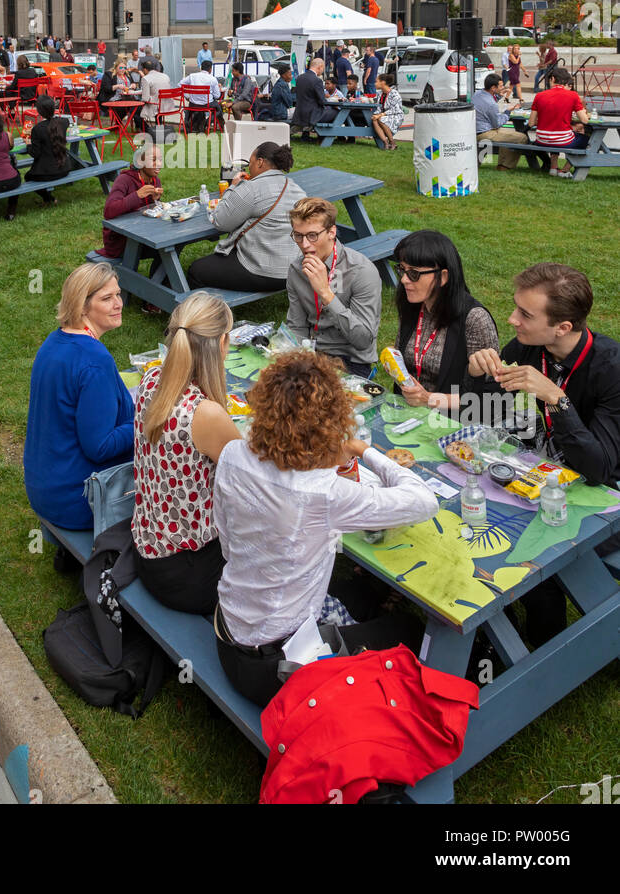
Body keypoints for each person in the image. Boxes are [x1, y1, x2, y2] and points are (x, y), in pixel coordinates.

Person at [213, 350, 438, 708]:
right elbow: (424, 500)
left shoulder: (233, 455)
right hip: (280, 669)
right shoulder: (322, 492)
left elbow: (227, 543)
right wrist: (366, 450)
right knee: (412, 630)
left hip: (227, 633)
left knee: (363, 591)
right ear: (330, 421)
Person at [468, 263, 620, 647]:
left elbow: (600, 468)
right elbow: (485, 405)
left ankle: (540, 648)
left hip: (608, 492)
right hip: (556, 470)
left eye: (525, 314)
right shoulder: (532, 347)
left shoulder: (611, 369)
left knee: (528, 543)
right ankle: (517, 632)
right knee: (478, 506)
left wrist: (557, 398)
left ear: (563, 327)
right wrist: (478, 373)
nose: (511, 319)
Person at [131, 293, 240, 613]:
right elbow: (256, 479)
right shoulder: (205, 414)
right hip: (189, 574)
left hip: (150, 549)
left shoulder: (152, 379)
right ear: (221, 344)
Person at [24, 263, 135, 549]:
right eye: (106, 298)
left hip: (44, 484)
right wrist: (146, 422)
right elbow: (99, 447)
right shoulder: (93, 359)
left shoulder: (53, 342)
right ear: (83, 306)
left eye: (118, 294)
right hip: (77, 498)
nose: (118, 304)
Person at [391, 230, 499, 419]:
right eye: (401, 269)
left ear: (443, 277)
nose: (404, 279)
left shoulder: (475, 319)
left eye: (414, 273)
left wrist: (428, 398)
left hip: (453, 423)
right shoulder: (413, 303)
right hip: (407, 414)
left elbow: (489, 398)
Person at [186, 142, 306, 292]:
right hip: (293, 269)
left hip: (262, 271)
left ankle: (205, 312)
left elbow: (220, 221)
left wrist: (233, 187)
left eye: (251, 162)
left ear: (260, 162)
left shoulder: (251, 188)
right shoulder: (296, 188)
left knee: (196, 270)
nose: (249, 167)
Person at [286, 197, 382, 375]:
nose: (305, 245)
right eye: (298, 236)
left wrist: (326, 293)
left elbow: (363, 340)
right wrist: (295, 357)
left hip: (350, 359)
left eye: (313, 235)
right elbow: (296, 326)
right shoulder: (296, 270)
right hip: (310, 352)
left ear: (332, 232)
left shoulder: (361, 271)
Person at [498, 68, 589, 178]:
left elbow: (531, 123)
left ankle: (553, 168)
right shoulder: (573, 95)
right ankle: (564, 170)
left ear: (553, 79)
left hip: (541, 139)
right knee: (586, 140)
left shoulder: (539, 95)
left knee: (553, 134)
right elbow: (584, 120)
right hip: (562, 139)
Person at [96, 136, 163, 259]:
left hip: (144, 233)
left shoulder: (155, 180)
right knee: (165, 249)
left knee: (171, 244)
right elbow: (109, 211)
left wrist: (156, 200)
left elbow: (150, 212)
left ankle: (161, 278)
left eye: (160, 159)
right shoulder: (124, 179)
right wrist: (137, 195)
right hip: (121, 241)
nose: (158, 164)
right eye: (153, 160)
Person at [27, 93, 73, 203]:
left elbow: (35, 153)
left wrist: (28, 144)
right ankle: (49, 199)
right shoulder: (63, 122)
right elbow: (58, 124)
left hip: (46, 172)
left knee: (28, 177)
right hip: (64, 168)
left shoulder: (37, 129)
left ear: (39, 111)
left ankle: (49, 199)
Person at [292, 55, 337, 131]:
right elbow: (322, 101)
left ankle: (306, 135)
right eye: (323, 68)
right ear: (320, 67)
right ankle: (325, 136)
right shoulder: (317, 80)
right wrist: (332, 100)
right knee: (337, 112)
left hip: (299, 113)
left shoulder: (300, 78)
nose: (323, 71)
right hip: (312, 115)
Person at [180, 59, 223, 130]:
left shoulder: (192, 76)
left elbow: (180, 84)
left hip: (193, 104)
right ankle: (206, 122)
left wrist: (187, 96)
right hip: (206, 105)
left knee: (210, 106)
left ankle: (197, 123)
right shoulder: (212, 79)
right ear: (210, 69)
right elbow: (217, 96)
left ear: (201, 68)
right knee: (219, 108)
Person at [474, 72, 512, 151]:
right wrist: (507, 113)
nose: (503, 87)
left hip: (476, 131)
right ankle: (504, 164)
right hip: (485, 133)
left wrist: (498, 96)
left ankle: (503, 163)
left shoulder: (477, 94)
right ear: (493, 88)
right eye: (501, 86)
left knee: (508, 137)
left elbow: (487, 104)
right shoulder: (492, 104)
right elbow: (496, 124)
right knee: (521, 138)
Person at [138, 59, 174, 133]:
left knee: (135, 112)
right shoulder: (165, 76)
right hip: (167, 105)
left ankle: (149, 131)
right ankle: (157, 126)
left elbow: (145, 99)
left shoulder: (145, 78)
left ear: (145, 69)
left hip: (156, 106)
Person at [371, 73, 404, 150]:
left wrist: (380, 115)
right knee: (374, 120)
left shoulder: (394, 93)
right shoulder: (379, 94)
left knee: (380, 119)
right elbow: (377, 106)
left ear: (383, 82)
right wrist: (376, 114)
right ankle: (385, 143)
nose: (374, 84)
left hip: (396, 115)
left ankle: (392, 142)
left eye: (376, 81)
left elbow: (395, 109)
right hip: (384, 115)